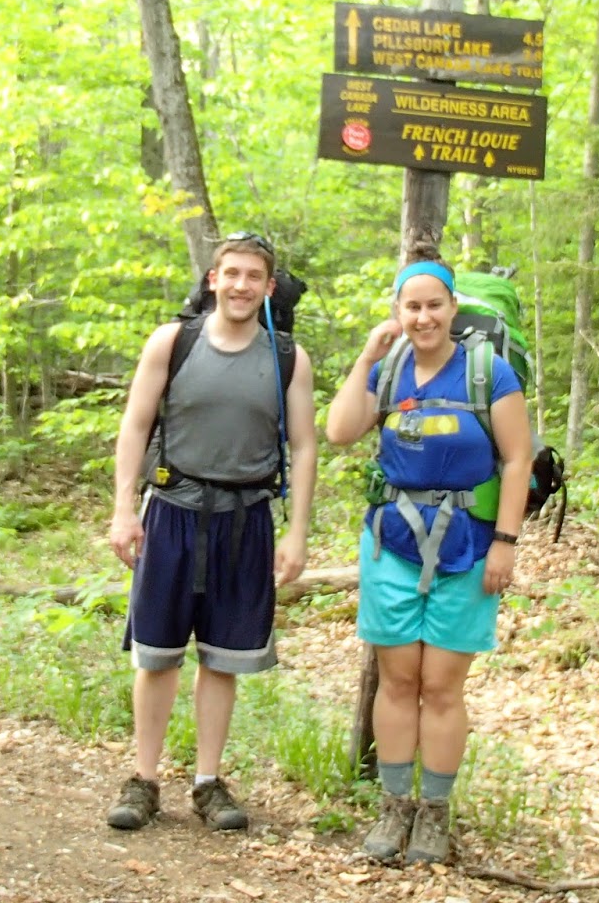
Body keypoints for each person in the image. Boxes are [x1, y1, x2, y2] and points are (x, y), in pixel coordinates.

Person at [106, 233, 317, 833]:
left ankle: (207, 780)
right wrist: (124, 510)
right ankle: (144, 778)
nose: (242, 285)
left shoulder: (286, 358)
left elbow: (303, 448)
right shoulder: (173, 343)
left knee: (222, 657)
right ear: (212, 280)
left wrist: (297, 531)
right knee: (157, 653)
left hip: (246, 517)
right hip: (171, 507)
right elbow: (134, 425)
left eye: (254, 276)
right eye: (231, 274)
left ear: (269, 288)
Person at [325, 257, 532, 865]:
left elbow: (517, 460)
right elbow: (340, 430)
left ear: (452, 309)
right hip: (392, 540)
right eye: (411, 307)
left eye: (434, 305)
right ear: (398, 312)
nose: (423, 317)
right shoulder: (389, 370)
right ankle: (394, 809)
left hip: (468, 545)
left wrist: (506, 543)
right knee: (398, 680)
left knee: (441, 685)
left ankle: (434, 815)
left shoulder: (486, 373)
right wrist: (367, 356)